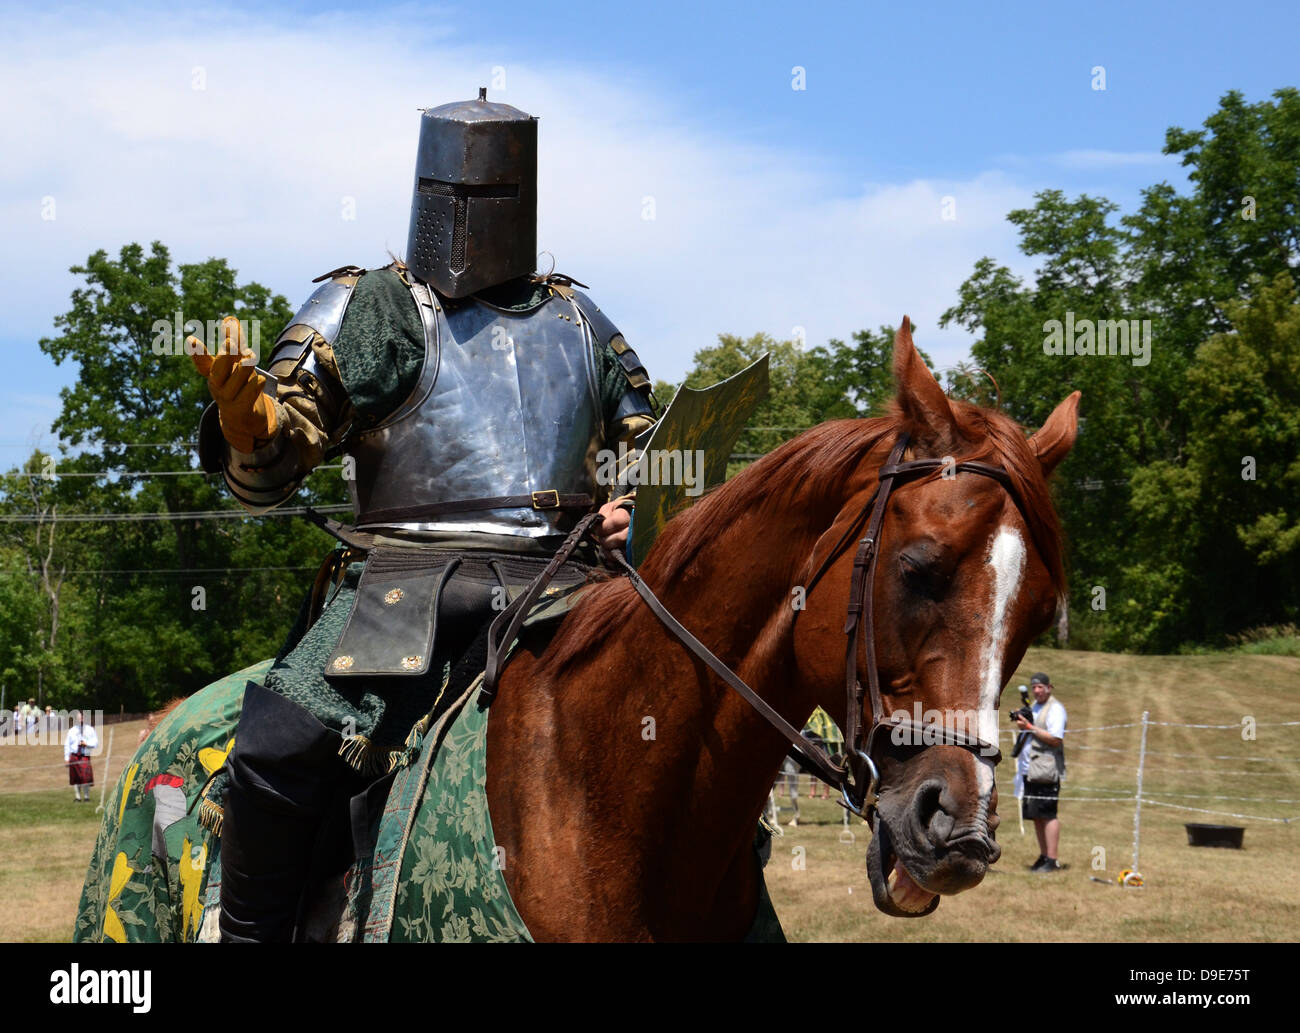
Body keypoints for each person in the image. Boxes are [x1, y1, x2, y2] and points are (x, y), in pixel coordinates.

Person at [189, 91, 656, 942]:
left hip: (568, 587)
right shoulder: (377, 306)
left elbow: (654, 460)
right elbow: (282, 456)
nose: (464, 220)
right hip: (403, 587)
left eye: (486, 200)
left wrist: (637, 510)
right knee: (281, 740)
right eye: (453, 196)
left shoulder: (581, 323)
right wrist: (247, 421)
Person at [1014, 672, 1067, 873]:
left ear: (1049, 687)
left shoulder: (1056, 709)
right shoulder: (1035, 707)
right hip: (1030, 769)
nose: (1036, 691)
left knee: (1048, 813)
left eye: (1040, 687)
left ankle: (1052, 859)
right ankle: (1043, 856)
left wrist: (1028, 726)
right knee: (1036, 814)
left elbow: (1055, 738)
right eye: (1034, 687)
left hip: (1046, 769)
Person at [64, 710, 99, 803]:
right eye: (79, 717)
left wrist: (86, 743)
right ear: (76, 718)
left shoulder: (90, 729)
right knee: (76, 778)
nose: (81, 719)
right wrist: (67, 758)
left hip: (84, 755)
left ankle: (87, 797)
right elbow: (67, 745)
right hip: (74, 756)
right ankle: (77, 797)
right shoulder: (72, 731)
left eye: (82, 717)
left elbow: (96, 743)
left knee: (86, 777)